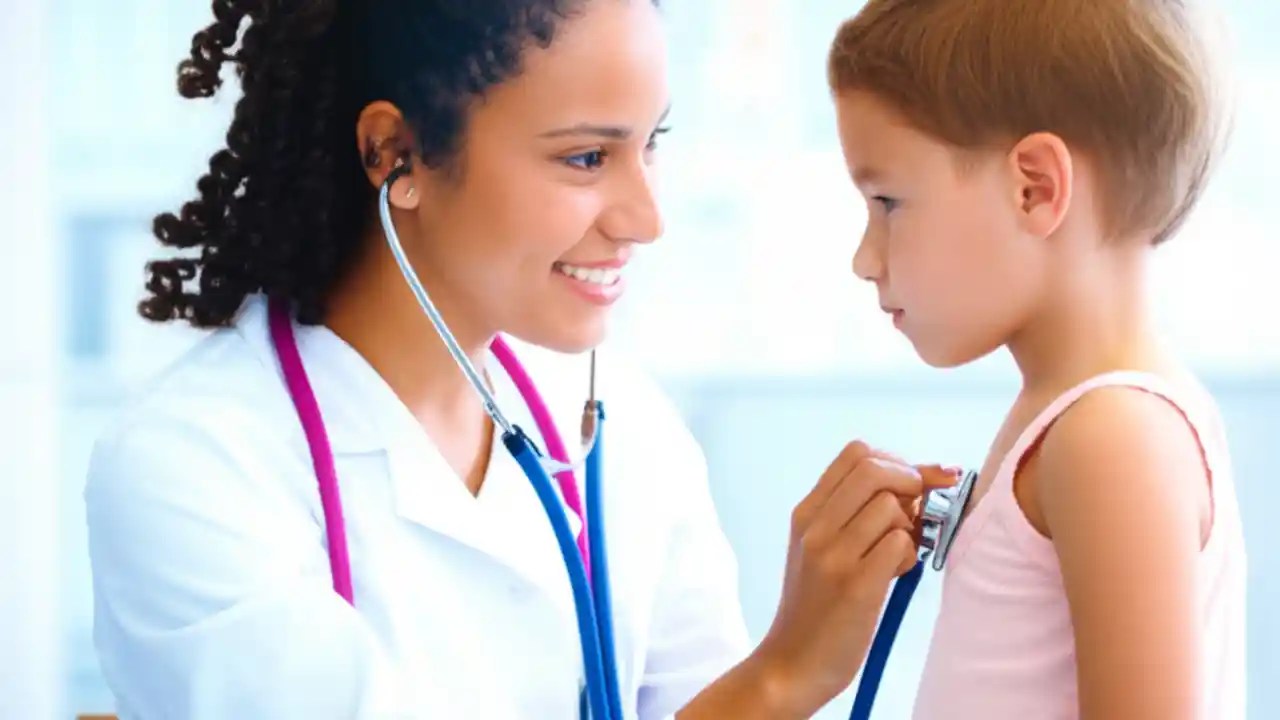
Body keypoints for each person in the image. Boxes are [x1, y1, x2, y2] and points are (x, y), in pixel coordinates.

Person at [84, 1, 953, 718]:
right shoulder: (193, 466)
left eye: (649, 145)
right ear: (396, 153)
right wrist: (784, 675)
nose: (646, 217)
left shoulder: (620, 424)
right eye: (586, 157)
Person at [827, 0, 1247, 718]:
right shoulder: (1073, 420)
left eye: (888, 202)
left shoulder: (1111, 437)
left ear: (1036, 188)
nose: (864, 260)